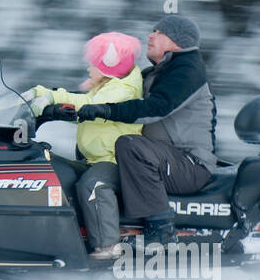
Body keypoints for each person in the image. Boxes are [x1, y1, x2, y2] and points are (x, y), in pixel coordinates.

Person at [74, 15, 216, 244]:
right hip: (160, 160)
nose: (151, 35)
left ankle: (161, 229)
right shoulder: (154, 74)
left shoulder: (187, 69)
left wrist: (105, 111)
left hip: (189, 163)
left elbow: (157, 108)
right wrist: (61, 104)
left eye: (159, 32)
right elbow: (115, 95)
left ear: (176, 40)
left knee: (130, 144)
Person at [27, 32, 143, 259]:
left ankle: (108, 248)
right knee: (53, 172)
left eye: (93, 64)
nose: (89, 69)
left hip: (114, 161)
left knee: (93, 185)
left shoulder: (123, 91)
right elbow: (81, 101)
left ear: (109, 65)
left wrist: (51, 98)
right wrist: (40, 93)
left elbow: (90, 105)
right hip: (94, 160)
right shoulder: (104, 88)